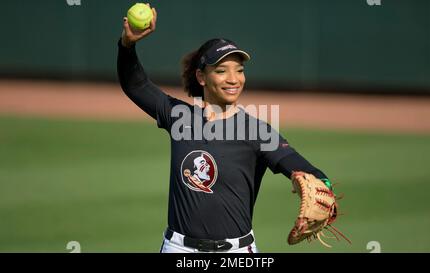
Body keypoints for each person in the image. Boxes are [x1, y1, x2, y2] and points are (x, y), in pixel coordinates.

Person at [117, 5, 333, 253]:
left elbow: (309, 171)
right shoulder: (179, 117)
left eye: (239, 71)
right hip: (179, 249)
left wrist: (322, 183)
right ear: (201, 77)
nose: (233, 79)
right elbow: (136, 85)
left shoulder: (256, 132)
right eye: (221, 71)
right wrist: (127, 46)